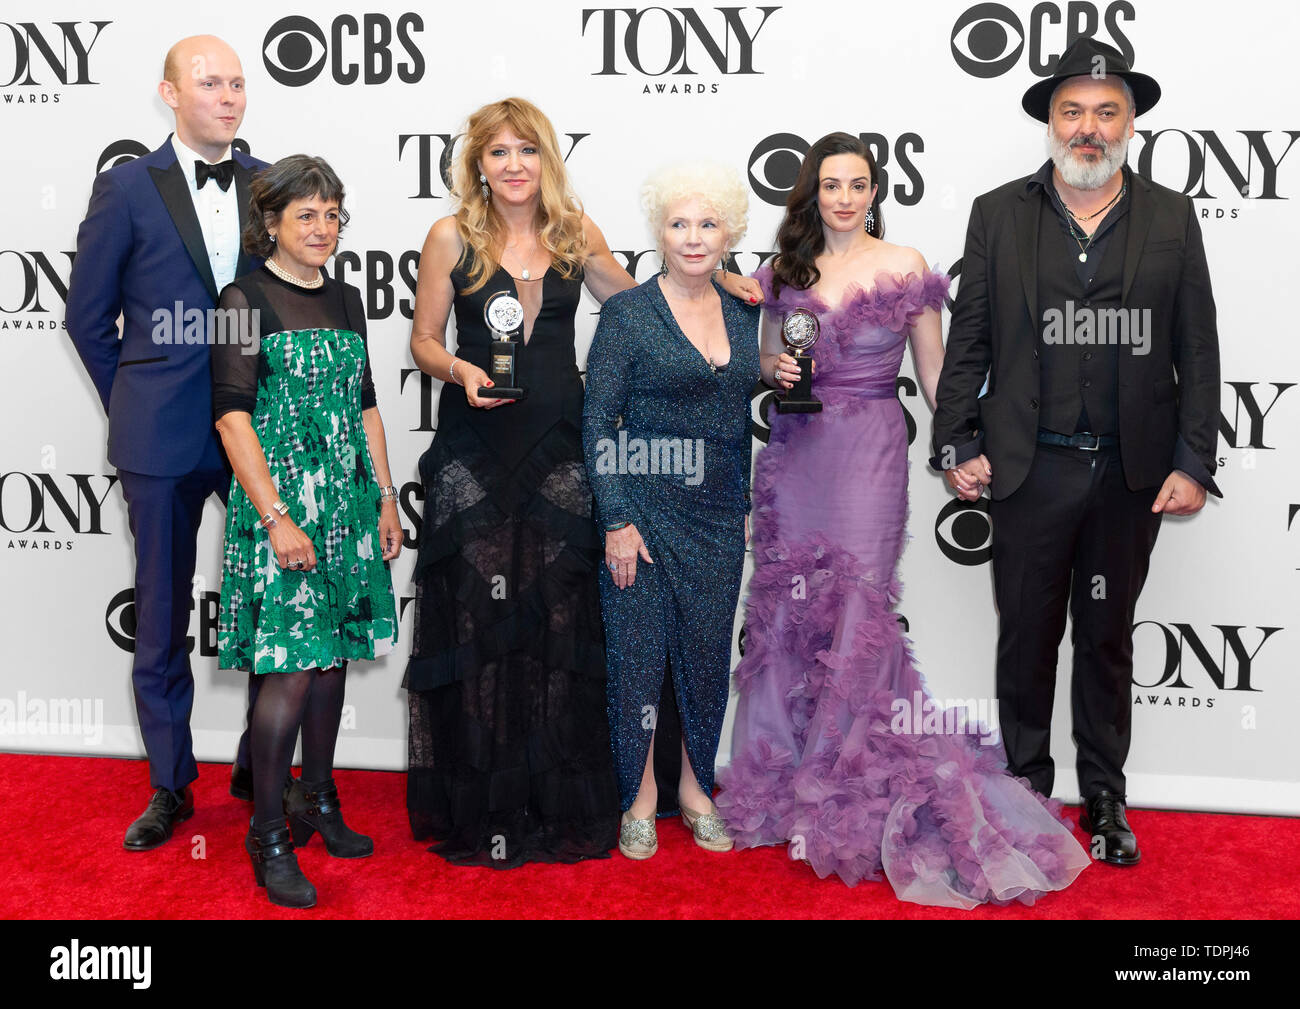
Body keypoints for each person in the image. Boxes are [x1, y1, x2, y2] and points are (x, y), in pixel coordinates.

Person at [715, 132, 1090, 907]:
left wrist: (966, 444)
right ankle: (784, 777)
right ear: (811, 192)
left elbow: (935, 372)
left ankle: (841, 782)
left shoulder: (907, 265)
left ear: (874, 188)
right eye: (830, 184)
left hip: (870, 451)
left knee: (858, 604)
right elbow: (758, 357)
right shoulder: (782, 269)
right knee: (787, 607)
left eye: (857, 183)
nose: (844, 197)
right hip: (795, 449)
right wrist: (773, 368)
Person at [931, 39, 1221, 868]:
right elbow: (972, 338)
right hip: (1031, 466)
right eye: (1073, 111)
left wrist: (1193, 460)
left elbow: (1196, 348)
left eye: (1106, 111)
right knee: (1025, 636)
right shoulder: (999, 212)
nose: (1088, 127)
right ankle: (1023, 790)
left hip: (1131, 472)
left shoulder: (1171, 215)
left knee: (1105, 636)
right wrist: (958, 438)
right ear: (1049, 122)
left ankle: (1104, 796)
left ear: (1131, 124)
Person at [65, 35, 269, 851]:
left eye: (238, 83)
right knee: (159, 614)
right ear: (169, 93)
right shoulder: (125, 188)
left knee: (274, 606)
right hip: (162, 432)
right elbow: (87, 319)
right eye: (210, 82)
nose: (228, 96)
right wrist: (141, 390)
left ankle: (265, 764)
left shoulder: (272, 183)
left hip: (260, 426)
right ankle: (170, 784)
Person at [212, 155, 400, 908]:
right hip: (281, 506)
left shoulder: (349, 298)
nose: (322, 229)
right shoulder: (238, 297)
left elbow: (366, 406)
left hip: (347, 503)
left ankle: (317, 799)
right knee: (291, 667)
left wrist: (384, 497)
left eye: (332, 215)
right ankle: (268, 832)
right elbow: (230, 415)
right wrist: (277, 515)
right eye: (306, 215)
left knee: (333, 661)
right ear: (271, 223)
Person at [583, 162, 760, 860]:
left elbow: (741, 408)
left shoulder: (746, 307)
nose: (693, 237)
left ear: (729, 232)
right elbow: (598, 420)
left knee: (707, 657)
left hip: (718, 513)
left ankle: (694, 789)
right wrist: (617, 520)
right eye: (679, 224)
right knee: (637, 657)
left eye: (707, 223)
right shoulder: (628, 314)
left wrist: (742, 503)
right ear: (658, 231)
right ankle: (640, 797)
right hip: (644, 509)